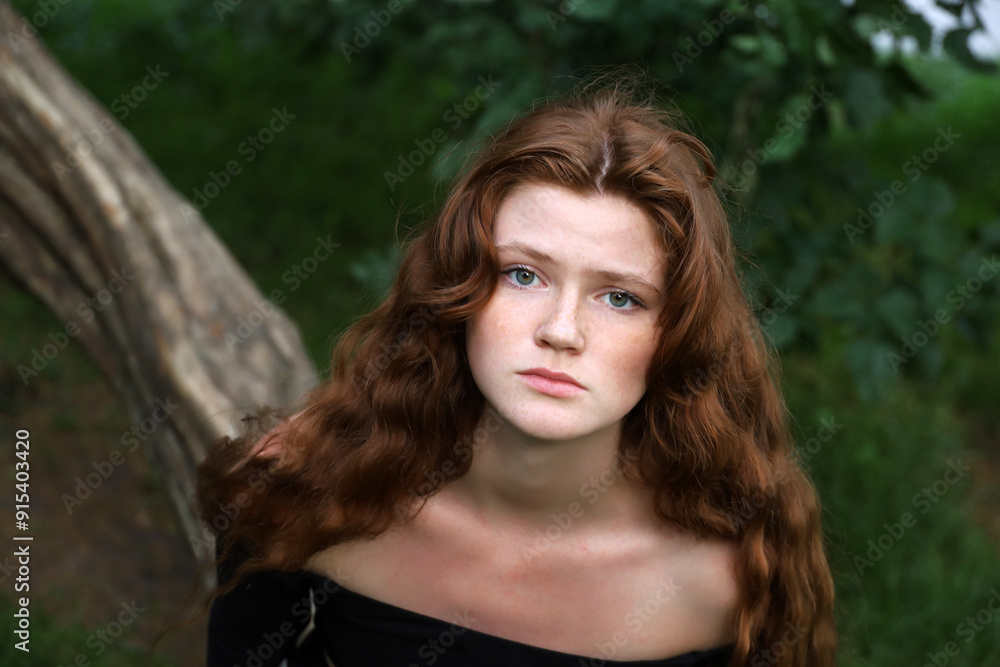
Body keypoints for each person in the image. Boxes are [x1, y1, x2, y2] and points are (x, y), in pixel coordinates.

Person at [194, 74, 838, 667]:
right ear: (457, 288)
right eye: (523, 275)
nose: (560, 330)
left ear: (680, 334)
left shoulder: (724, 577)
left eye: (620, 297)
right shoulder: (310, 495)